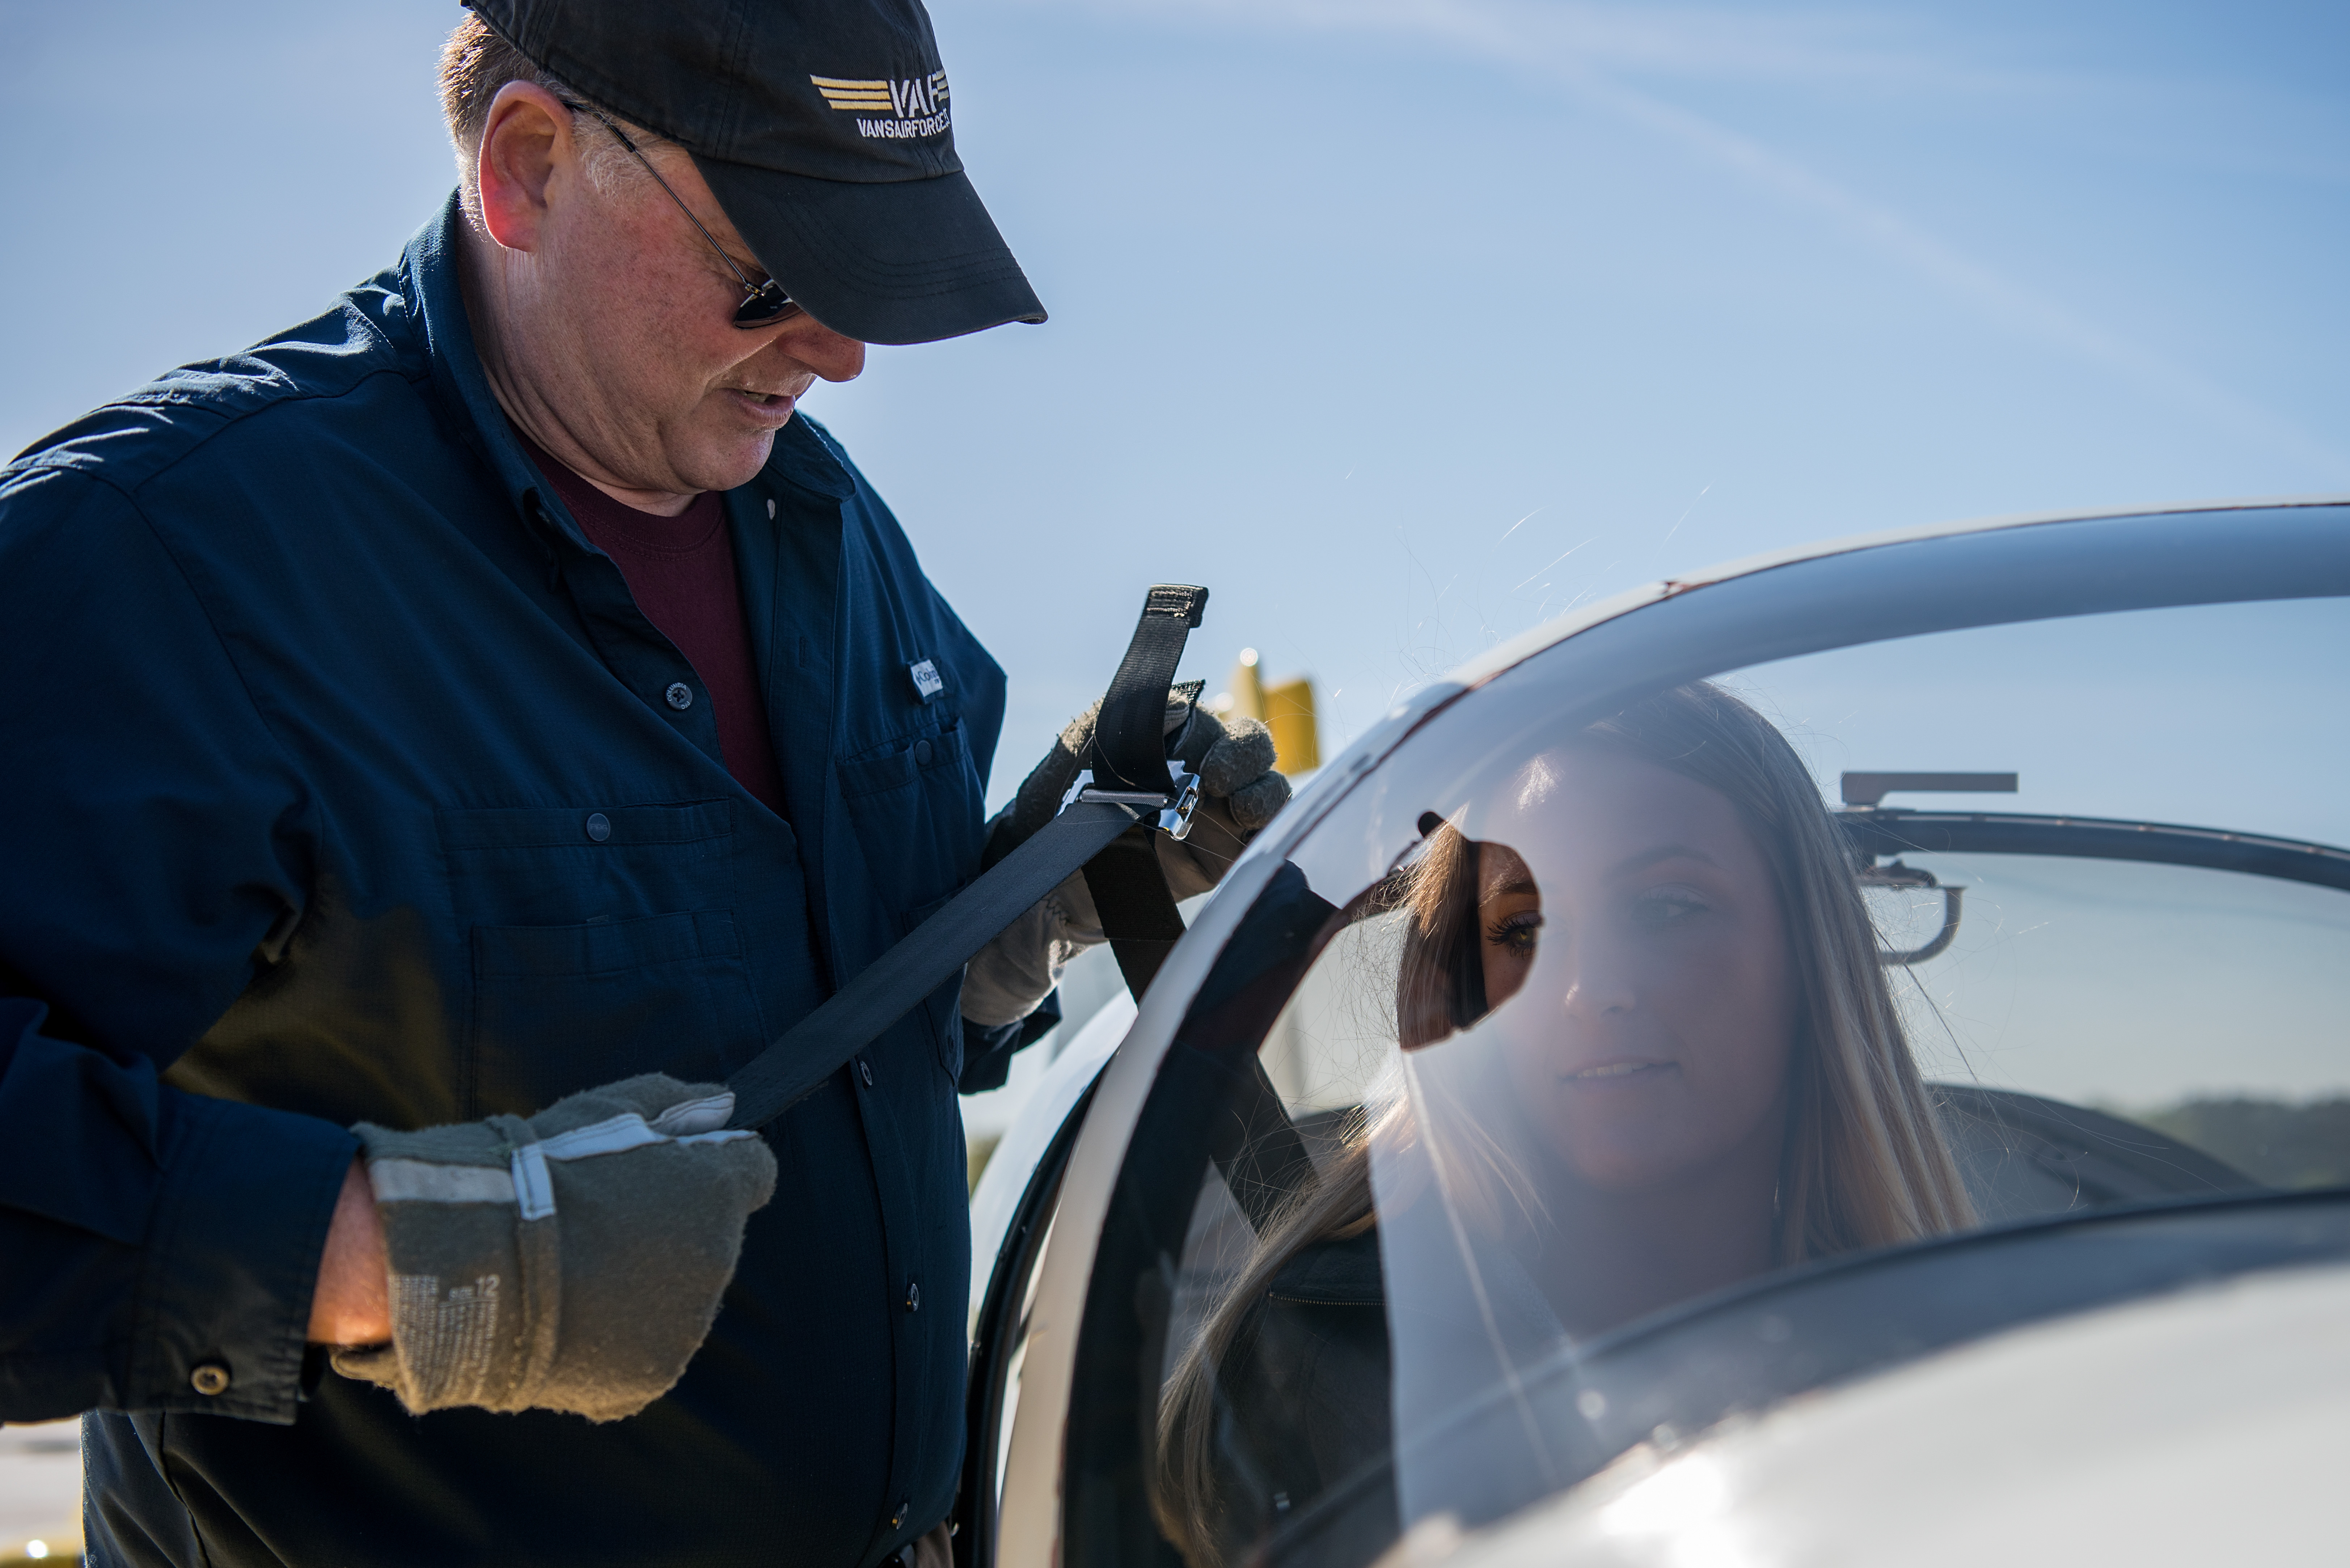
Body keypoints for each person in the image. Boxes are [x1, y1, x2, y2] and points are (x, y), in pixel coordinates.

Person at [0, 4, 1284, 1566]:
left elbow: (807, 1046)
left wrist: (1005, 929)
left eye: (871, 270)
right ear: (528, 169)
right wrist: (408, 1254)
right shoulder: (165, 568)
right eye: (780, 268)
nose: (842, 352)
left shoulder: (831, 536)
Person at [1152, 681, 1973, 1568]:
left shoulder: (1997, 1357)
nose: (1588, 989)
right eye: (1524, 925)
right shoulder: (1303, 1365)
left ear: (1808, 952)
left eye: (1665, 907)